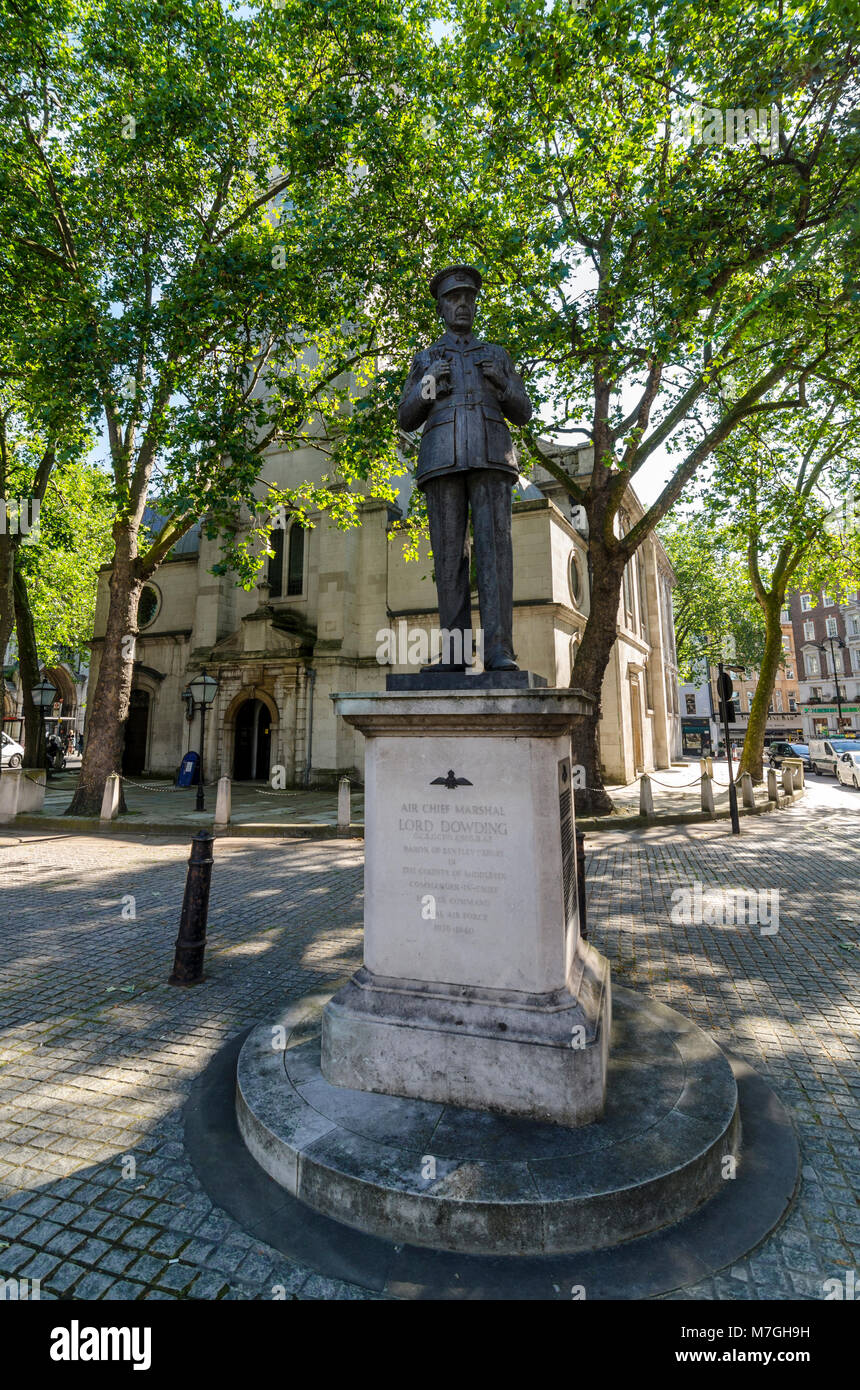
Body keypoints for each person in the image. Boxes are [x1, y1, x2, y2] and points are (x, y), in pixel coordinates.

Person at [398, 264, 533, 671]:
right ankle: (456, 654)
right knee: (448, 558)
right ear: (441, 308)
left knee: (496, 554)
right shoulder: (426, 358)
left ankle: (498, 650)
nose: (462, 306)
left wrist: (504, 384)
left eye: (468, 299)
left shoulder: (495, 355)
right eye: (453, 300)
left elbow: (523, 411)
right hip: (442, 460)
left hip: (492, 457)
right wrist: (428, 384)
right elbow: (406, 417)